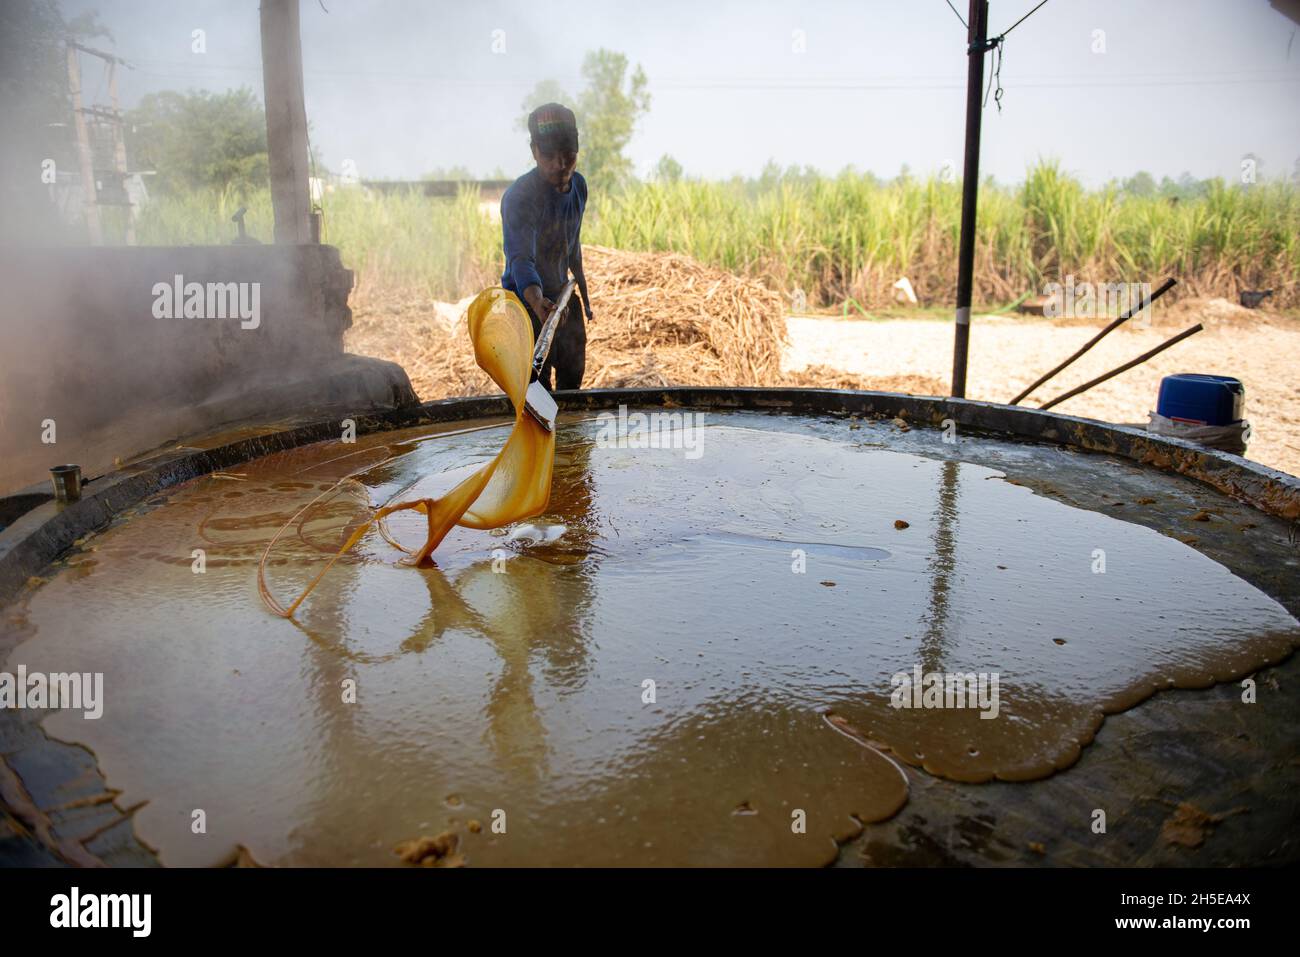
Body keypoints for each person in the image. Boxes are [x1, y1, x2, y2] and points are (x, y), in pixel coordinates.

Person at [500, 102, 593, 391]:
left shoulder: (579, 186)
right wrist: (538, 302)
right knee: (536, 393)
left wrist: (584, 295)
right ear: (534, 152)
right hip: (526, 304)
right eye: (549, 156)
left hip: (561, 297)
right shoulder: (521, 196)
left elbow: (572, 244)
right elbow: (521, 261)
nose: (560, 165)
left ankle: (569, 434)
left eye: (568, 155)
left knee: (571, 386)